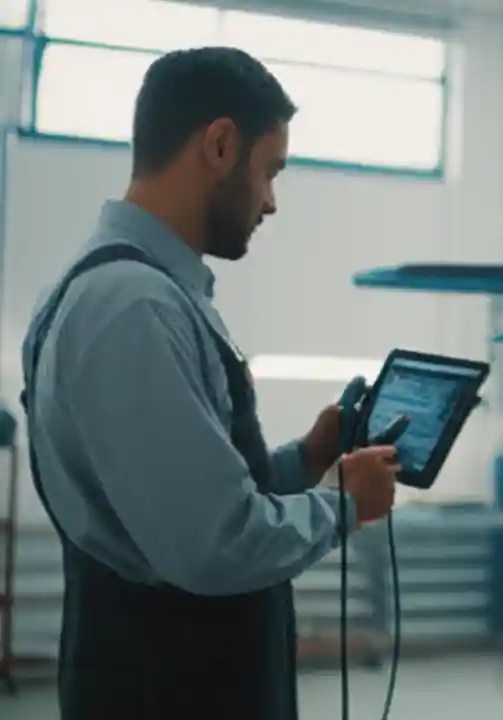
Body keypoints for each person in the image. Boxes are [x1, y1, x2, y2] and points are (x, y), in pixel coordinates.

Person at [19, 47, 400, 720]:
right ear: (222, 145)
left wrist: (305, 462)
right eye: (270, 171)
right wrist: (342, 503)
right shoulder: (134, 307)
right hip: (171, 687)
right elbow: (214, 545)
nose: (272, 202)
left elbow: (170, 499)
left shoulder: (129, 291)